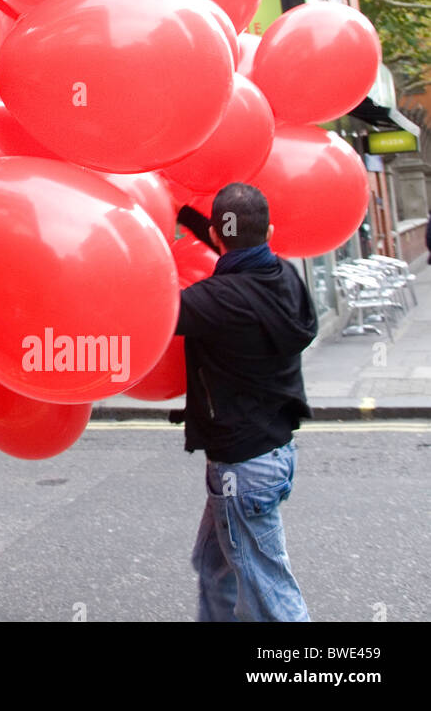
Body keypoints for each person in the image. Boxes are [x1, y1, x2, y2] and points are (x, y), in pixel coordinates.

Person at [173, 184, 317, 622]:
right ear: (269, 231)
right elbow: (237, 243)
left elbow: (149, 311)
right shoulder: (287, 278)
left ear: (218, 235)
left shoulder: (214, 302)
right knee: (215, 568)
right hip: (274, 453)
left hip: (243, 469)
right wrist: (184, 215)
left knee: (271, 594)